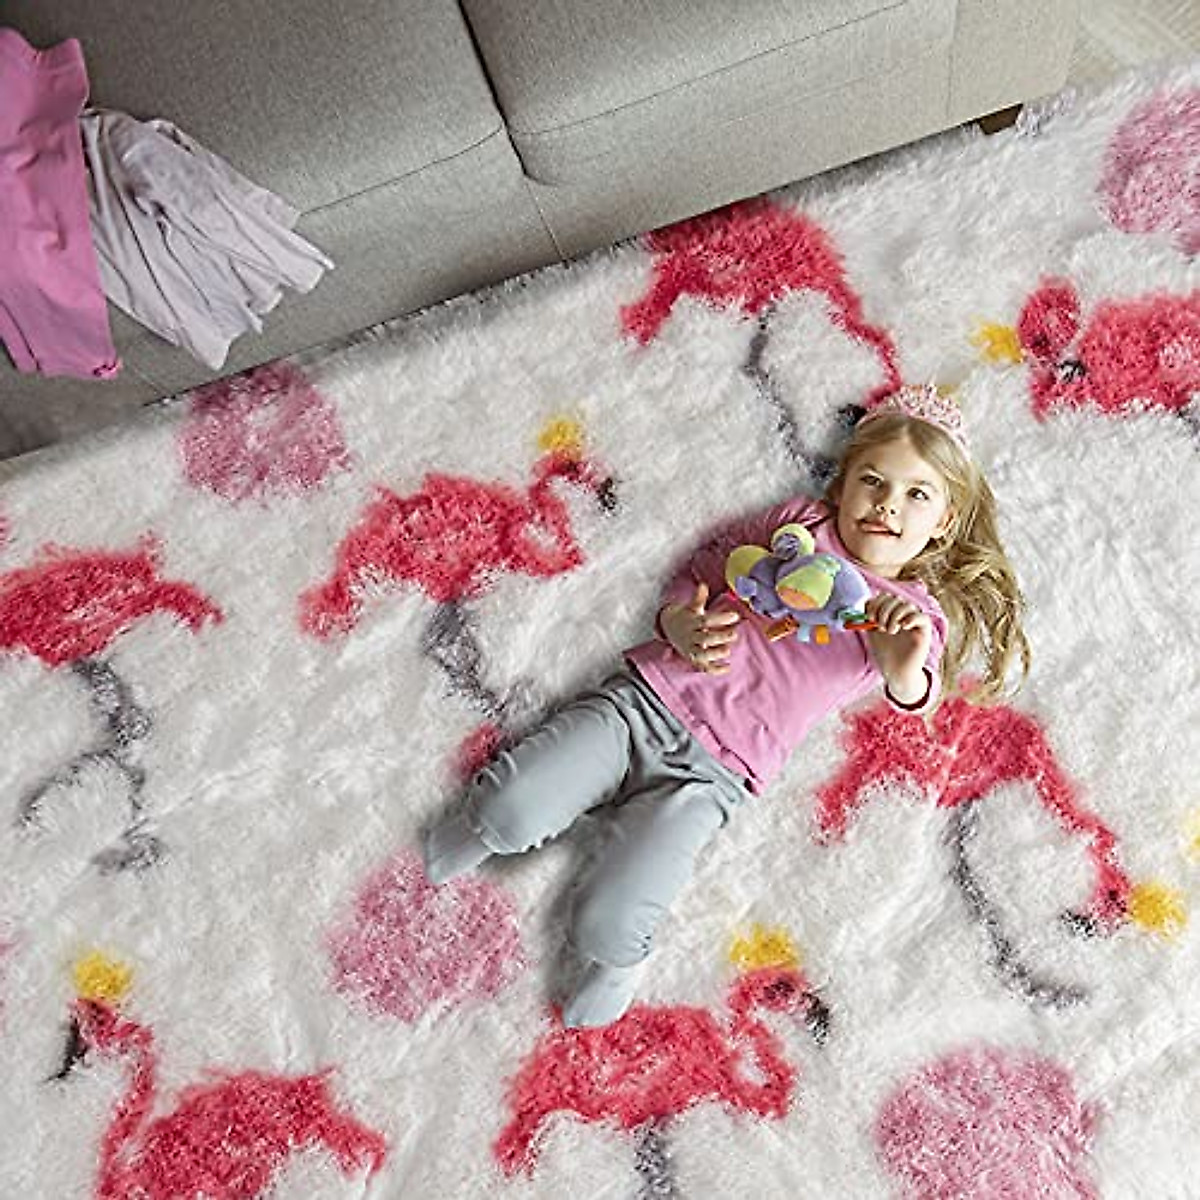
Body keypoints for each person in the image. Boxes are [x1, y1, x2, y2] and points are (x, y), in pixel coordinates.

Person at [424, 385, 1030, 1026]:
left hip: (713, 776)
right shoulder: (799, 527)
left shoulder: (911, 615)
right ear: (844, 484)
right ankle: (474, 833)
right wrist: (678, 621)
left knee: (610, 924)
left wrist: (901, 660)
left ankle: (618, 966)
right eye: (872, 482)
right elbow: (707, 566)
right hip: (644, 704)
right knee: (507, 812)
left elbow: (914, 692)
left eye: (916, 495)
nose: (887, 505)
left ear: (944, 522)